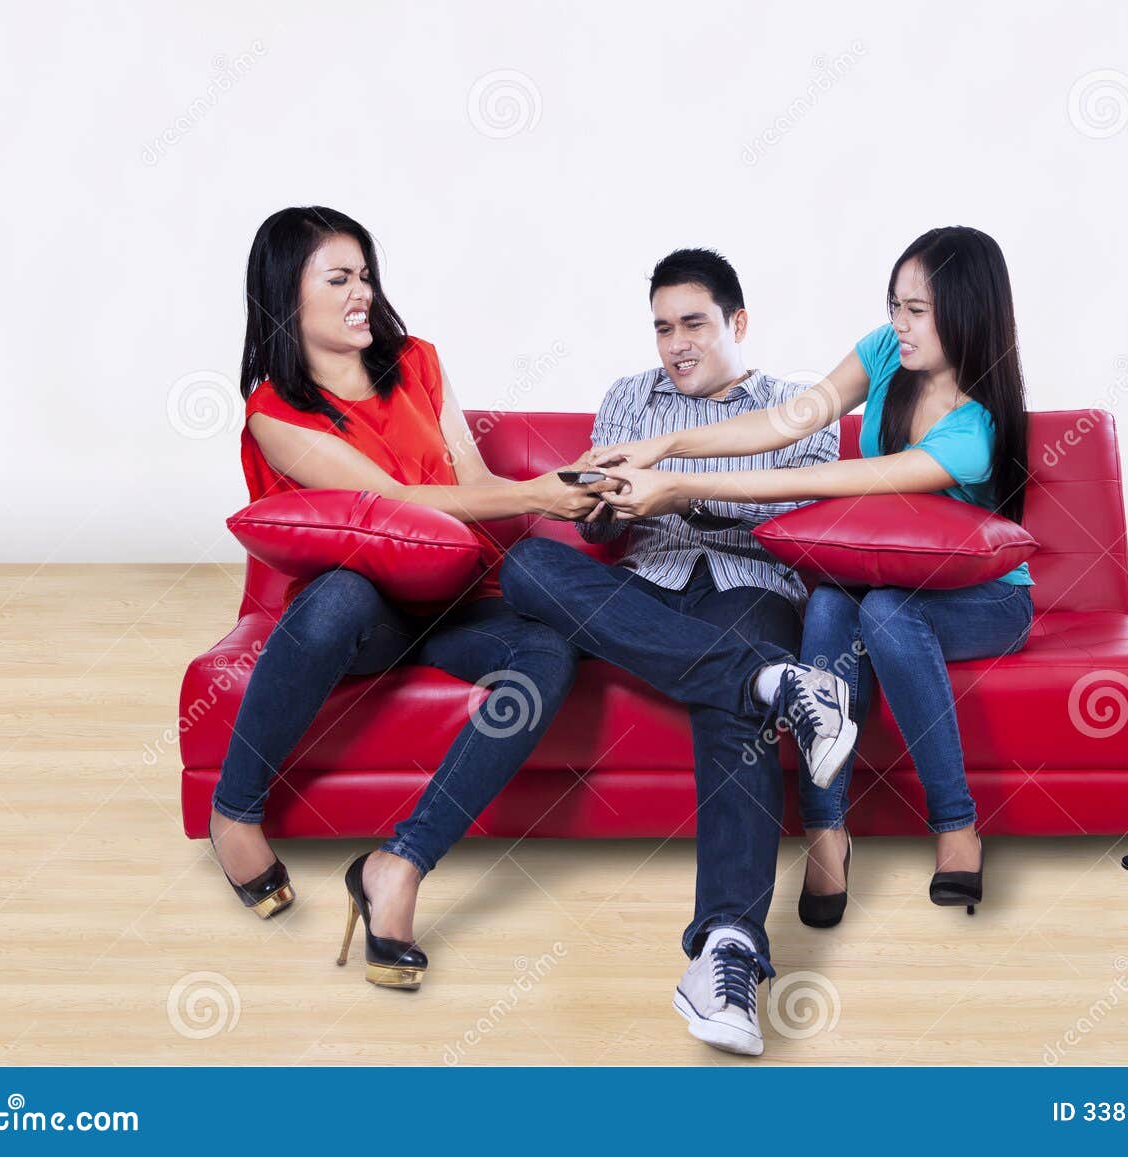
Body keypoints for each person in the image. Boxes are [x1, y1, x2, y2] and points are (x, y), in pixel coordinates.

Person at [587, 226, 1036, 928]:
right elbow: (789, 421)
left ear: (969, 311)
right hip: (884, 580)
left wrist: (678, 482)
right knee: (827, 605)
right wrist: (671, 440)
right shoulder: (888, 352)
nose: (898, 324)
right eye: (895, 305)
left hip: (982, 600)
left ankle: (956, 824)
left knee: (885, 611)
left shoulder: (974, 431)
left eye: (917, 310)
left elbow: (837, 477)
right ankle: (828, 832)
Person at [210, 206, 605, 990]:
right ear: (286, 298)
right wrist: (536, 490)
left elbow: (472, 483)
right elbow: (395, 503)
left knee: (549, 652)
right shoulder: (273, 414)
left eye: (365, 276)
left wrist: (569, 488)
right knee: (340, 598)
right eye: (338, 279)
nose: (362, 293)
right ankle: (235, 809)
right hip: (371, 616)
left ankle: (398, 865)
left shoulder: (417, 361)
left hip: (462, 597)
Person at [500, 248, 851, 1056]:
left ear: (738, 322)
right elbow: (596, 522)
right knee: (526, 565)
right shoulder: (628, 397)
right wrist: (601, 505)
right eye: (662, 328)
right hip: (645, 586)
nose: (676, 344)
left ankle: (728, 945)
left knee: (736, 687)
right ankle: (773, 683)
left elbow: (796, 518)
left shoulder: (799, 406)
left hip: (751, 586)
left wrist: (680, 488)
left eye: (693, 323)